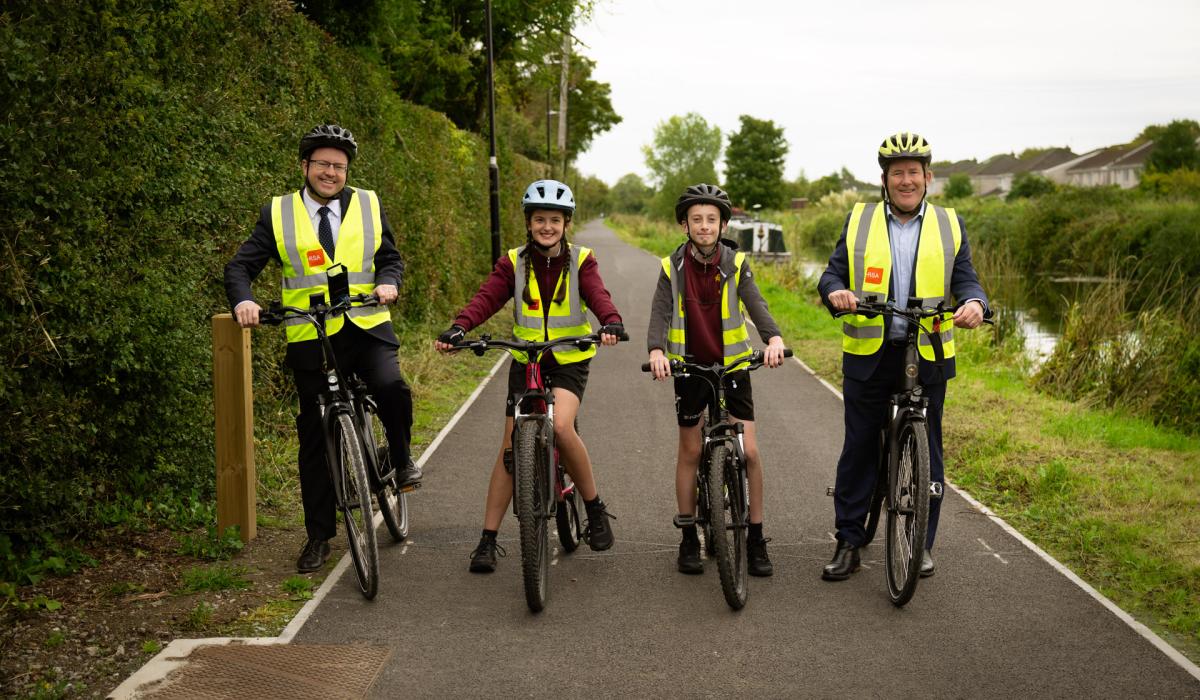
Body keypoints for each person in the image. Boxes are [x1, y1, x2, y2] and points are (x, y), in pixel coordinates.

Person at [225, 124, 421, 574]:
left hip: (366, 326)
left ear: (346, 169)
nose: (330, 173)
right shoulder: (278, 213)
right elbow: (241, 266)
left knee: (391, 386)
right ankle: (318, 536)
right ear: (305, 167)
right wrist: (244, 301)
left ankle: (402, 457)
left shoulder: (368, 203)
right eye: (322, 164)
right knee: (314, 437)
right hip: (311, 336)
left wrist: (389, 282)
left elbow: (389, 257)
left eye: (339, 166)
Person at [817, 132, 989, 581]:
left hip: (928, 350)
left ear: (928, 177)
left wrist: (975, 304)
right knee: (858, 447)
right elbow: (833, 271)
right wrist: (835, 290)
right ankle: (850, 540)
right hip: (869, 352)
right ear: (885, 179)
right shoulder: (860, 220)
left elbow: (967, 279)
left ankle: (921, 545)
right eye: (898, 173)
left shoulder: (949, 223)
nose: (907, 180)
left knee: (928, 445)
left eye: (914, 172)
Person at [435, 179, 624, 573]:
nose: (547, 227)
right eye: (540, 219)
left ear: (566, 223)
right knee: (509, 452)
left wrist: (610, 320)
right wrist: (460, 327)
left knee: (561, 426)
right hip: (526, 360)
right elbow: (487, 297)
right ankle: (487, 540)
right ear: (528, 222)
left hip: (569, 359)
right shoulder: (513, 261)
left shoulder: (582, 259)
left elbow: (597, 293)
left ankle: (595, 508)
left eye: (554, 220)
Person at [646, 184, 787, 577]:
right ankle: (689, 536)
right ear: (684, 224)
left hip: (734, 366)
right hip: (689, 369)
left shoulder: (736, 263)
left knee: (751, 452)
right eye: (696, 220)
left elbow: (756, 304)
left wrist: (773, 338)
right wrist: (656, 350)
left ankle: (756, 537)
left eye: (711, 219)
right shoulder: (670, 267)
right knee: (690, 451)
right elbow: (658, 314)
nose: (704, 226)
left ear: (723, 224)